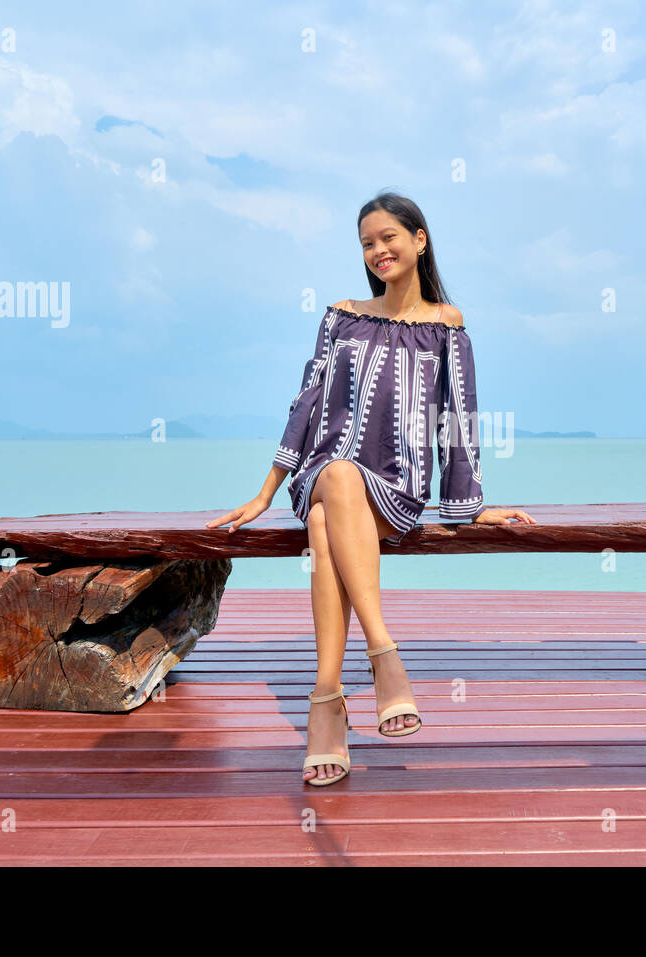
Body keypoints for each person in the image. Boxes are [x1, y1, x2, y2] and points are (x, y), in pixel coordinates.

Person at [208, 192, 535, 785]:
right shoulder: (340, 315)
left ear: (419, 239)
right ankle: (385, 657)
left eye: (388, 237)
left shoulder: (446, 325)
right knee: (333, 476)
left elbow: (457, 416)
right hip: (320, 472)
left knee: (323, 525)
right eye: (367, 242)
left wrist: (472, 505)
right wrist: (264, 490)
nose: (378, 250)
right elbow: (307, 402)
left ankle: (326, 701)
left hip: (396, 484)